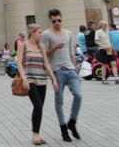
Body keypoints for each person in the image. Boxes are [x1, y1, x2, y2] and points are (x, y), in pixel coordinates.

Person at [42, 8, 83, 143]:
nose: (57, 23)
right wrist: (55, 48)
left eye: (59, 20)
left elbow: (72, 53)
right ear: (51, 20)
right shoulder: (46, 34)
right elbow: (45, 53)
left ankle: (72, 121)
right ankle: (63, 128)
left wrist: (77, 71)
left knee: (78, 95)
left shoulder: (68, 33)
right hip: (57, 71)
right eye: (54, 21)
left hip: (70, 70)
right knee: (59, 101)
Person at [17, 24, 59, 146]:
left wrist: (54, 79)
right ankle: (35, 135)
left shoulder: (41, 46)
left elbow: (46, 64)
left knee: (39, 108)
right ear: (33, 33)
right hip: (30, 80)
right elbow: (19, 63)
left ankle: (37, 133)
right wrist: (24, 79)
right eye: (39, 32)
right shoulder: (23, 45)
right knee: (38, 105)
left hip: (42, 80)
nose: (41, 35)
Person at [95, 21, 119, 85]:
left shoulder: (107, 32)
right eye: (104, 24)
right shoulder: (98, 32)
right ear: (101, 25)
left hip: (109, 49)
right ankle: (103, 79)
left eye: (106, 24)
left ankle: (116, 79)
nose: (106, 25)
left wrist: (113, 49)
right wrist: (103, 46)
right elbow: (96, 41)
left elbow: (109, 41)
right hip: (102, 49)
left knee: (113, 63)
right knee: (104, 64)